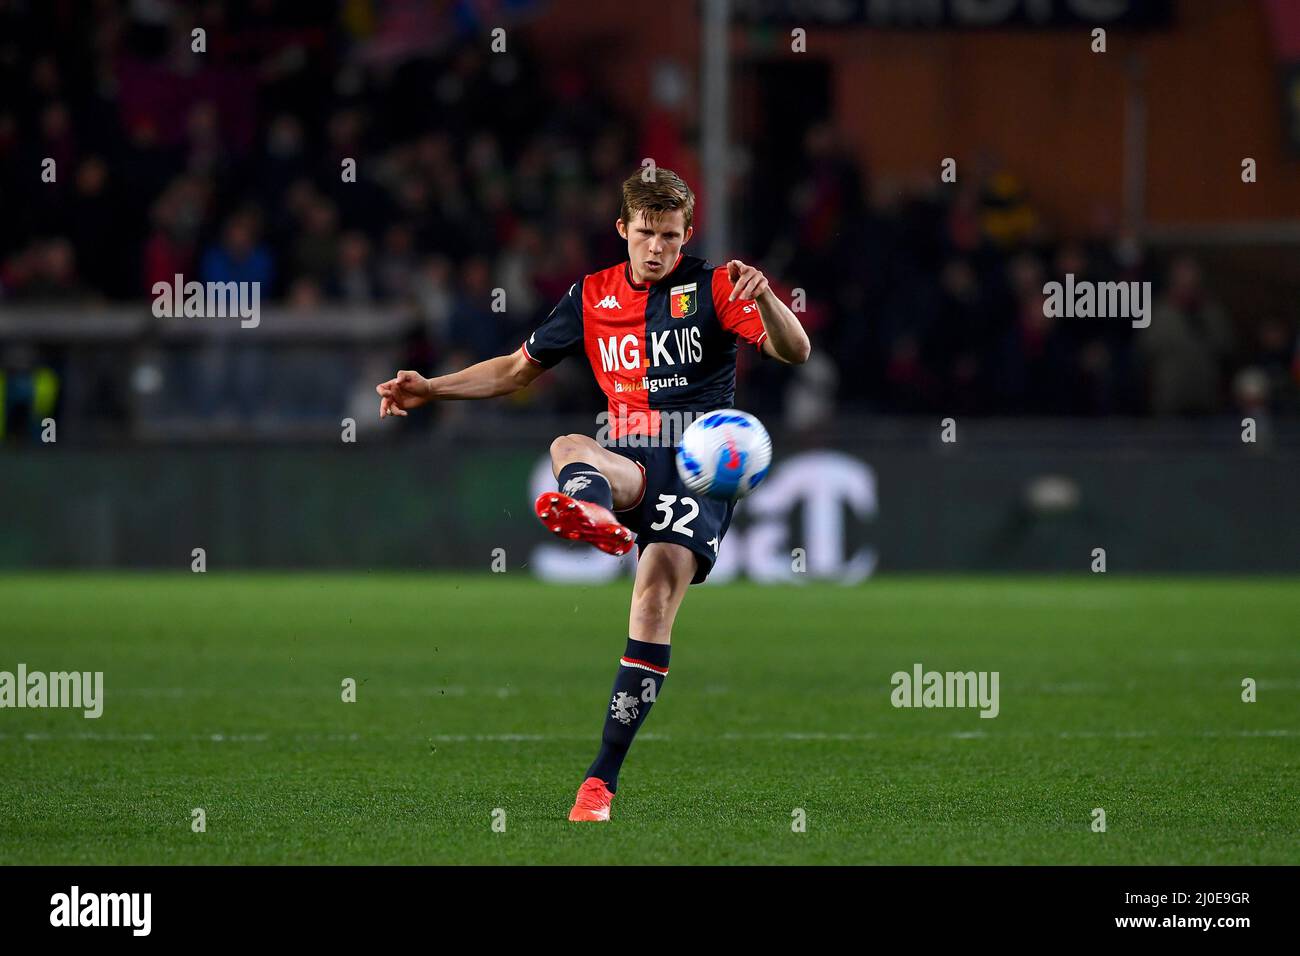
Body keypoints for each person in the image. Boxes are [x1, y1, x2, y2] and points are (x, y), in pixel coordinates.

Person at [375, 169, 810, 821]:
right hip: (631, 449)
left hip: (699, 465)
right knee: (568, 445)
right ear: (622, 232)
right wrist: (431, 388)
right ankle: (593, 511)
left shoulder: (718, 286)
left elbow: (794, 350)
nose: (657, 247)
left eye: (669, 235)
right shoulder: (591, 296)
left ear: (685, 234)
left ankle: (599, 783)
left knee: (655, 595)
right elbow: (517, 370)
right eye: (645, 234)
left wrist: (769, 298)